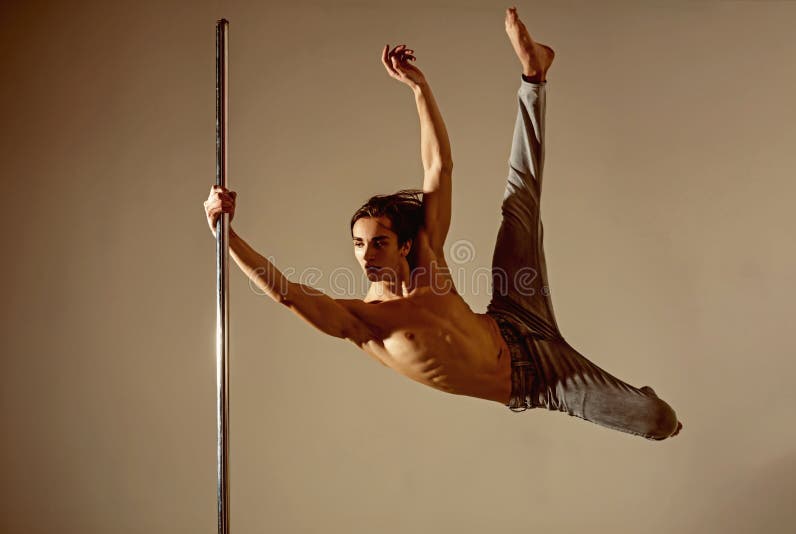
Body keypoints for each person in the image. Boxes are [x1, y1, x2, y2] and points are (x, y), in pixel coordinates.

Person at [203, 6, 682, 441]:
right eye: (358, 245)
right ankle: (633, 398)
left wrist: (419, 88)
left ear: (404, 245)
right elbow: (286, 292)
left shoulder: (427, 260)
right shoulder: (366, 322)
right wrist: (226, 234)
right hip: (540, 380)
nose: (366, 256)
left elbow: (439, 168)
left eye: (379, 243)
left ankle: (534, 75)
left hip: (516, 314)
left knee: (519, 202)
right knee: (659, 421)